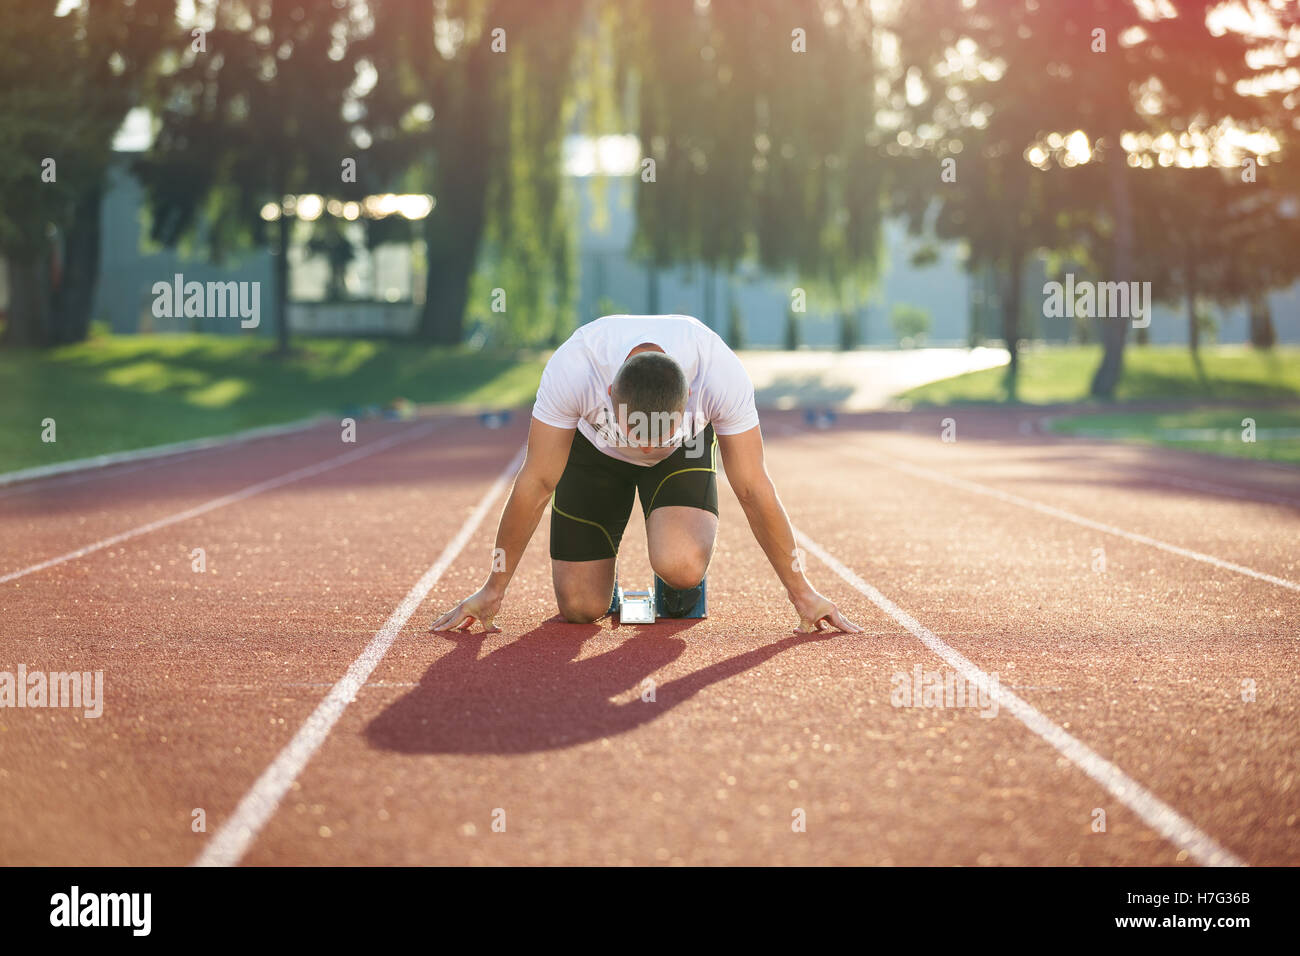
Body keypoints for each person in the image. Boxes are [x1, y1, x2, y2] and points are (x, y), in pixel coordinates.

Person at [431, 314, 861, 634]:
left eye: (660, 433)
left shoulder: (718, 373)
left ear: (690, 398)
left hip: (685, 453)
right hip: (593, 452)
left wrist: (802, 593)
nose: (647, 448)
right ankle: (604, 583)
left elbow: (752, 487)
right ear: (609, 394)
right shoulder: (575, 369)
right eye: (637, 434)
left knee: (681, 565)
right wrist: (493, 587)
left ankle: (680, 588)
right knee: (581, 608)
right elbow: (537, 482)